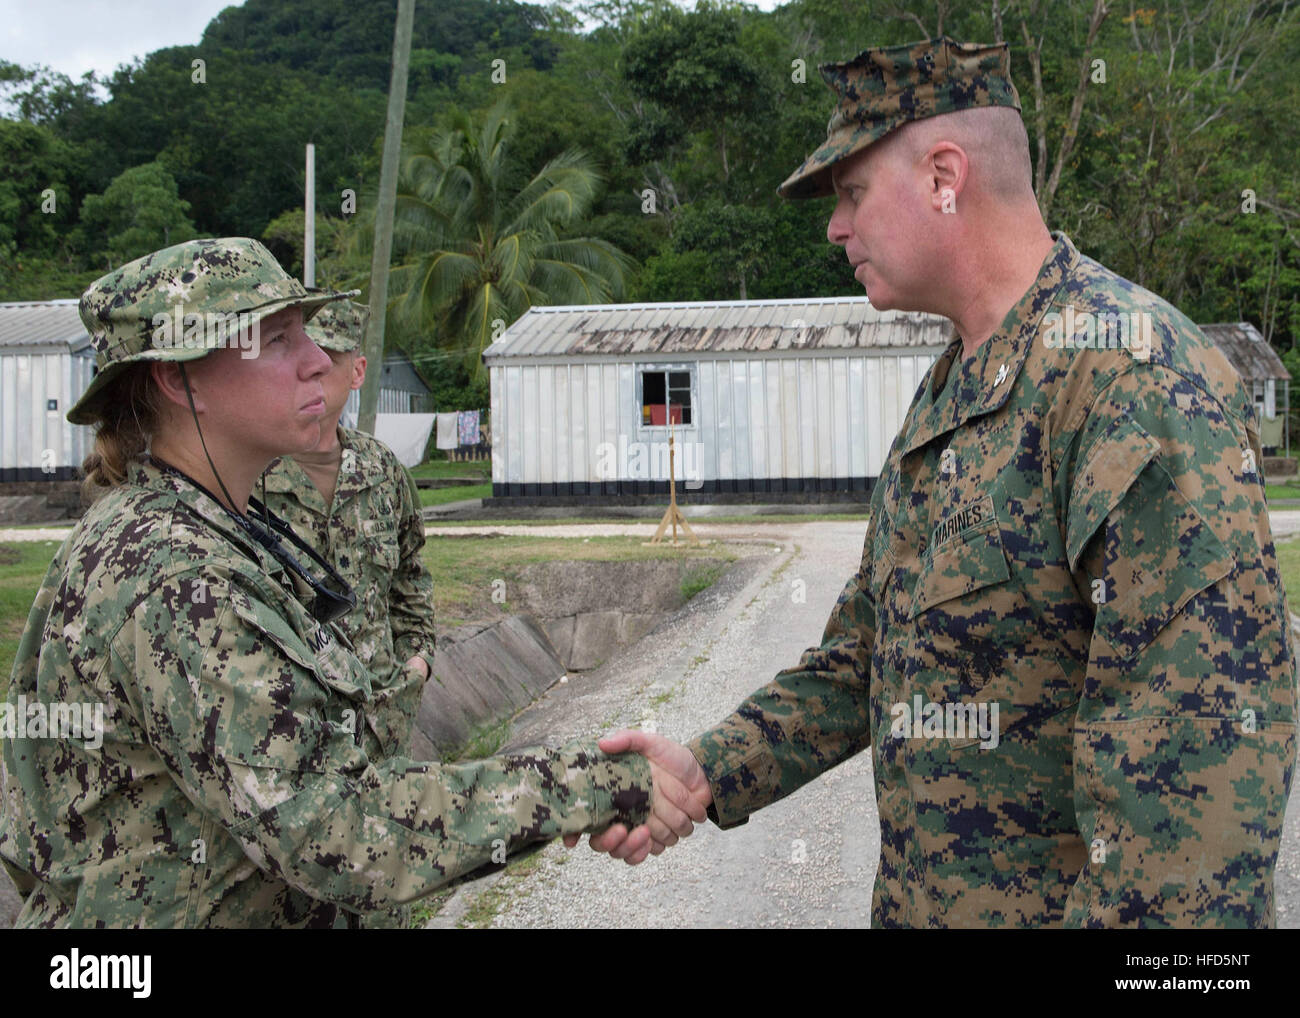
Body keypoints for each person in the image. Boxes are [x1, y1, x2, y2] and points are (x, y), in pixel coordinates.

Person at [578, 36, 1299, 928]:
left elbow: (1198, 801)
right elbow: (868, 656)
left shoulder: (1129, 378)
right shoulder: (957, 385)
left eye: (850, 194)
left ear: (943, 176)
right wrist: (707, 769)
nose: (836, 228)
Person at [0, 238, 690, 928]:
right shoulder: (177, 576)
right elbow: (335, 831)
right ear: (177, 382)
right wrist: (603, 786)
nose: (315, 363)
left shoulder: (211, 529)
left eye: (307, 333)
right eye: (275, 339)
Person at [259, 299, 434, 929]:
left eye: (325, 362)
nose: (308, 373)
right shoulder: (251, 476)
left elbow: (411, 573)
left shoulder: (383, 472)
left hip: (382, 723)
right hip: (294, 740)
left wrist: (417, 661)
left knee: (385, 886)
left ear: (356, 372)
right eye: (294, 359)